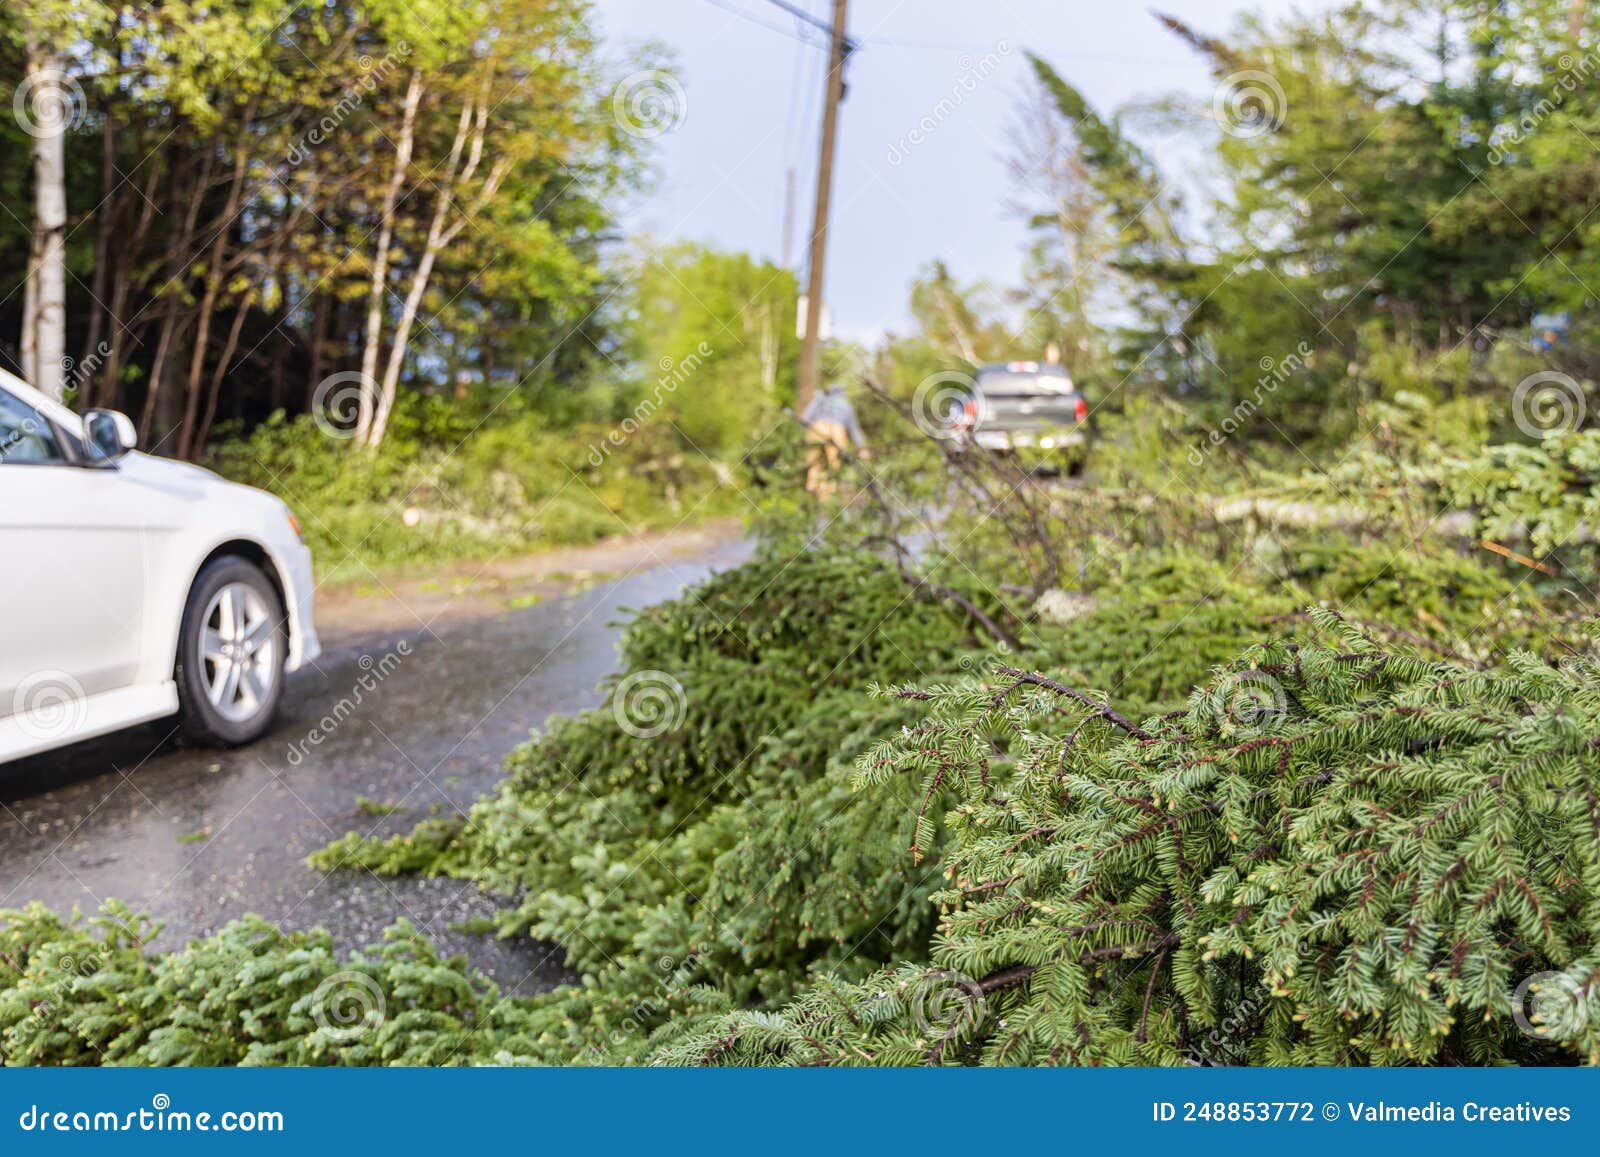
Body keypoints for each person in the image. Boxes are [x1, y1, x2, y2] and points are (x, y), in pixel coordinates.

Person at [801, 384, 869, 499]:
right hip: (837, 432)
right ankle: (827, 498)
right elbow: (854, 429)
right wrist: (862, 448)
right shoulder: (847, 406)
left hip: (817, 429)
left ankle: (812, 497)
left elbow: (804, 418)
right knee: (833, 467)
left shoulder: (820, 399)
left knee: (814, 465)